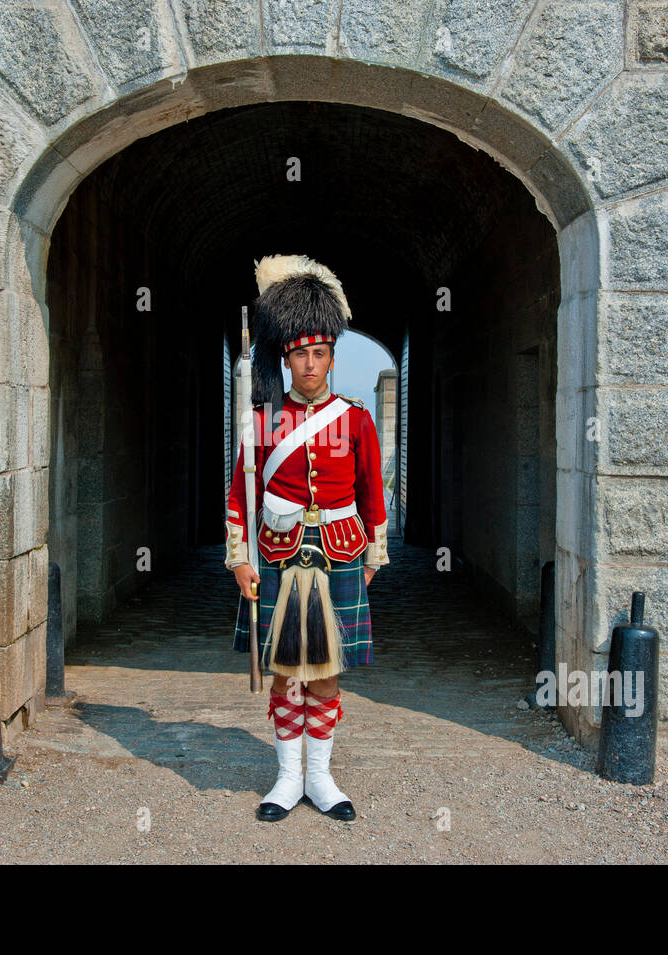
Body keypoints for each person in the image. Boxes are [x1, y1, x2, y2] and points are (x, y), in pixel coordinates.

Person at [224, 253, 389, 822]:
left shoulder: (357, 418)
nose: (311, 364)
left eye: (320, 354)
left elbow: (372, 491)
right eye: (301, 355)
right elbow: (239, 494)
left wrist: (375, 553)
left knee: (326, 671)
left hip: (341, 550)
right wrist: (239, 559)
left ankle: (320, 778)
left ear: (331, 357)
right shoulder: (266, 420)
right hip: (277, 552)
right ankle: (287, 778)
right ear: (288, 358)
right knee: (285, 670)